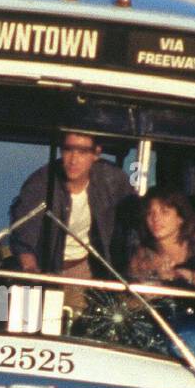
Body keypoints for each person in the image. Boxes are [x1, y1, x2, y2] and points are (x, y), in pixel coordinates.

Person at [8, 131, 135, 309]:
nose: (73, 160)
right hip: (45, 271)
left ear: (96, 153)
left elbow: (134, 223)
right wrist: (31, 271)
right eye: (68, 150)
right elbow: (23, 238)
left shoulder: (114, 180)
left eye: (82, 152)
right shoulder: (39, 184)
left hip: (86, 268)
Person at [127, 189, 195, 288]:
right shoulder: (142, 256)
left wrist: (185, 275)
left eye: (164, 212)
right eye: (149, 213)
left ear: (180, 218)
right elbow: (134, 295)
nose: (155, 218)